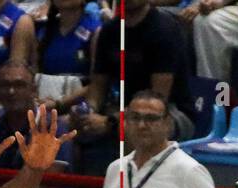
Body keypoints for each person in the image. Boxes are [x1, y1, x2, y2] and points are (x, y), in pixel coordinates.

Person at [75, 0, 196, 173]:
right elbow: (97, 88)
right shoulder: (109, 32)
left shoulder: (165, 30)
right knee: (64, 127)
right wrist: (87, 111)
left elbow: (157, 100)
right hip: (124, 108)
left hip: (170, 111)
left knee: (134, 130)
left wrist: (111, 122)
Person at [0, 61, 75, 188]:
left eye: (19, 85)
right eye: (4, 86)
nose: (11, 91)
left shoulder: (53, 128)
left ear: (33, 90)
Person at [36, 0, 100, 112]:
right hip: (43, 104)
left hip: (78, 108)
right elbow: (32, 71)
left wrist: (59, 104)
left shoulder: (95, 30)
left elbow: (98, 83)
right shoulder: (44, 30)